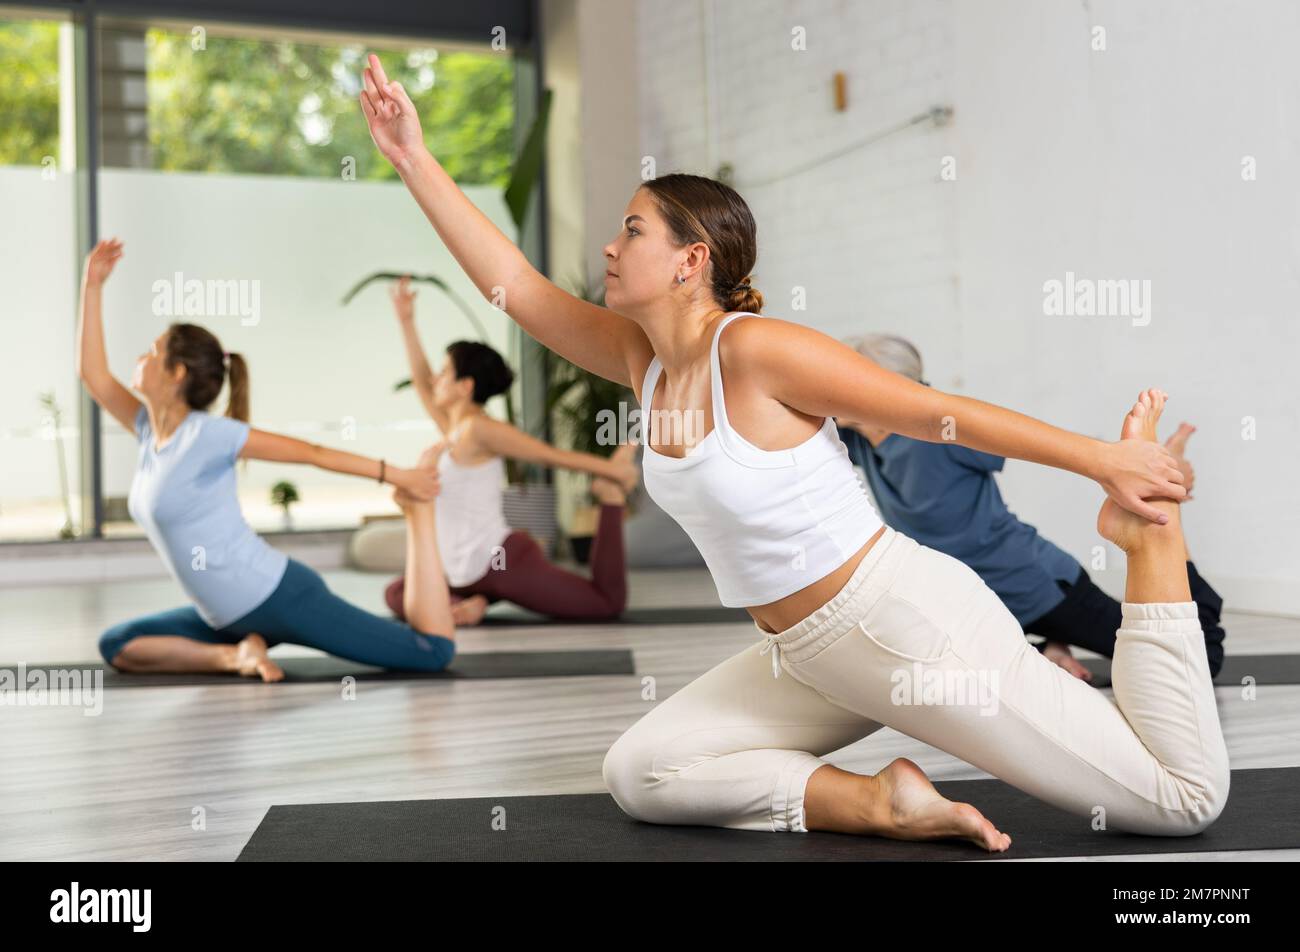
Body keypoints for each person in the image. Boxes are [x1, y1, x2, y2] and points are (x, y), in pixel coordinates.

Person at [358, 54, 1226, 850]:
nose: (610, 248)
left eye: (631, 232)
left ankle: (1149, 542)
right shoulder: (646, 362)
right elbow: (519, 291)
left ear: (690, 259)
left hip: (910, 633)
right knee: (643, 770)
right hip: (807, 657)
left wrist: (1099, 461)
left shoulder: (757, 351)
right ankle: (881, 802)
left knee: (1181, 800)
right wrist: (410, 159)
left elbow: (933, 413)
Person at [80, 238, 456, 682]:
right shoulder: (148, 430)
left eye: (153, 352)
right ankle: (236, 656)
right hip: (222, 619)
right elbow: (94, 376)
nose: (140, 358)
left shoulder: (209, 434)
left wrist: (401, 477)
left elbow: (312, 454)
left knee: (431, 653)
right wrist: (93, 286)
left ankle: (418, 514)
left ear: (176, 374)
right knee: (119, 644)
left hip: (278, 596)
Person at [833, 333, 1226, 681]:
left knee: (1198, 662)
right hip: (975, 599)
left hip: (1035, 585)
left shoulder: (940, 432)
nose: (834, 390)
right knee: (936, 666)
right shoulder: (860, 443)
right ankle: (1047, 648)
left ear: (886, 385)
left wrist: (1136, 465)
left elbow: (1022, 437)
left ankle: (1166, 507)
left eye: (849, 378)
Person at [382, 276, 639, 624]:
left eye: (445, 373)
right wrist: (406, 321)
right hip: (461, 571)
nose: (435, 380)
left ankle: (610, 498)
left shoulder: (481, 429)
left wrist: (612, 473)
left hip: (500, 562)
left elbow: (547, 455)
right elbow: (422, 382)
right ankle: (472, 601)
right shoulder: (454, 430)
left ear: (465, 386)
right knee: (397, 595)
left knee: (605, 604)